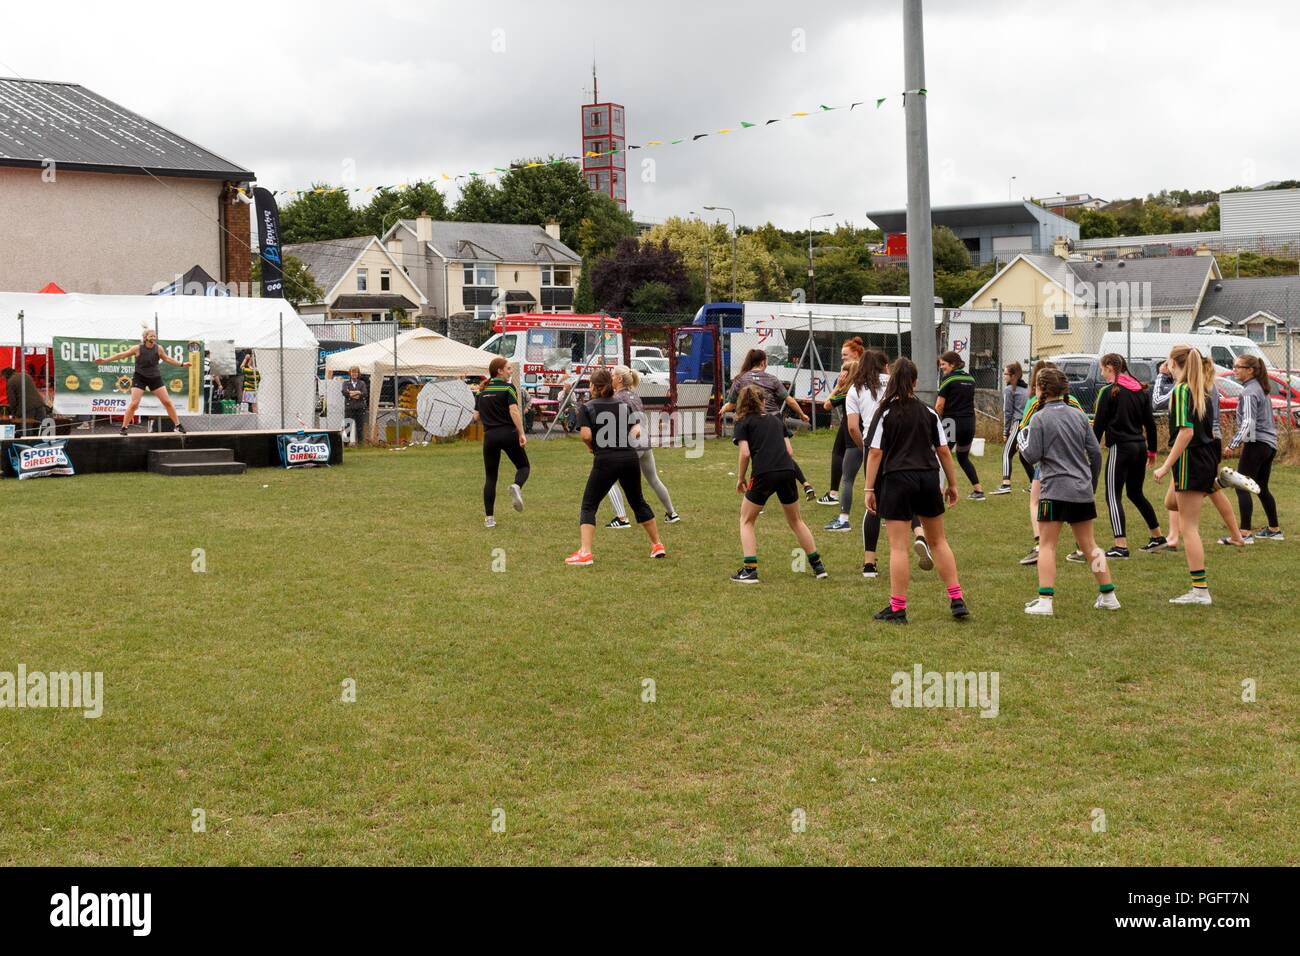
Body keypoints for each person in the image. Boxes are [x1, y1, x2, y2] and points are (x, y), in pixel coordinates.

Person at [863, 357, 969, 624]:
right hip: (928, 478)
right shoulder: (929, 412)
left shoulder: (885, 412)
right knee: (939, 541)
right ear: (915, 382)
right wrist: (953, 484)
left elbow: (875, 452)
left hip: (897, 479)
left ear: (891, 379)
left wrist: (868, 488)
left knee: (899, 547)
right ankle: (957, 599)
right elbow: (943, 450)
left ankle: (898, 609)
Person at [1018, 368, 1119, 616]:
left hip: (1054, 489)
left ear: (1040, 390)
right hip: (1081, 489)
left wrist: (1022, 441)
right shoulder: (1079, 416)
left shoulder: (1039, 418)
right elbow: (1095, 453)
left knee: (1047, 545)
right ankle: (1108, 595)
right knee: (1090, 545)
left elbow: (1032, 455)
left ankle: (1045, 601)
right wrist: (1091, 480)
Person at [1152, 357, 1254, 550]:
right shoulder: (1210, 384)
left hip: (1194, 444)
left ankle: (1174, 538)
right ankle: (1236, 535)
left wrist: (1161, 375)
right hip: (1212, 440)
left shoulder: (1187, 387)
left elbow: (1157, 402)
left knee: (1181, 494)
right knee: (1201, 491)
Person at [567, 368, 665, 566]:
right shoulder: (622, 404)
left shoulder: (587, 407)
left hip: (606, 459)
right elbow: (636, 428)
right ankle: (657, 545)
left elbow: (585, 435)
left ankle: (585, 552)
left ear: (593, 386)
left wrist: (591, 447)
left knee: (589, 505)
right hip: (629, 457)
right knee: (638, 502)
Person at [731, 385, 827, 583]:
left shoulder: (742, 422)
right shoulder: (776, 420)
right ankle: (818, 566)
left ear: (742, 403)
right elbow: (789, 452)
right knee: (796, 521)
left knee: (746, 520)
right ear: (763, 402)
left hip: (763, 473)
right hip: (787, 471)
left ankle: (750, 570)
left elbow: (745, 453)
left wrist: (741, 478)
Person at [1153, 345, 1221, 605]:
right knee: (1171, 503)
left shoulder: (1182, 390)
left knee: (1188, 528)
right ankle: (1216, 482)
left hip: (1190, 459)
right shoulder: (1199, 388)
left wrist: (1166, 465)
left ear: (1172, 364)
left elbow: (1186, 432)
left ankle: (1200, 591)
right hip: (1202, 459)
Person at [1091, 354, 1165, 557]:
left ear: (1109, 368)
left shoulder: (1109, 392)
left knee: (1112, 495)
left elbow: (1098, 426)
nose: (1101, 373)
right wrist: (1152, 451)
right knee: (1135, 493)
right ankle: (1157, 536)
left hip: (1120, 449)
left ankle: (1120, 545)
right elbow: (1150, 424)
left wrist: (1090, 452)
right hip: (1139, 448)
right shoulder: (1139, 389)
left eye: (1102, 369)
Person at [1016, 361, 1087, 566]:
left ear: (1041, 386)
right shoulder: (1073, 402)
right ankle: (1086, 552)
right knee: (1078, 510)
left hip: (1050, 465)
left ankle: (1040, 546)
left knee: (1036, 501)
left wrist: (1021, 442)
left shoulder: (1036, 405)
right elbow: (1087, 427)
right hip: (1076, 464)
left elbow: (1024, 430)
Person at [720, 349, 815, 500]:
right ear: (763, 362)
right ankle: (804, 483)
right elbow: (788, 399)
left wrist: (723, 409)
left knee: (755, 456)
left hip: (753, 423)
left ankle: (754, 495)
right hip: (774, 421)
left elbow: (731, 404)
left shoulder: (741, 379)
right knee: (784, 454)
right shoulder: (772, 379)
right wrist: (801, 414)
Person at [604, 365, 680, 524]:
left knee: (608, 479)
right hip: (645, 443)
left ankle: (622, 518)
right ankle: (672, 514)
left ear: (619, 379)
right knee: (654, 480)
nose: (610, 378)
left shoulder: (617, 398)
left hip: (632, 443)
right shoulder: (634, 395)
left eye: (612, 375)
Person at [1227, 354, 1282, 541]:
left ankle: (1244, 533)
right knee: (1261, 488)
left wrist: (1233, 444)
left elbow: (1249, 422)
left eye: (1238, 366)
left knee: (1241, 486)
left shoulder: (1249, 391)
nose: (1234, 369)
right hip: (1269, 444)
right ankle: (1274, 530)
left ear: (1250, 370)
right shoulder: (1260, 388)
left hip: (1257, 444)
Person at [471, 357, 529, 529]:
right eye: (509, 369)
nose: (511, 372)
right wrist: (521, 432)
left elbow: (476, 417)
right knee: (524, 467)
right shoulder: (508, 388)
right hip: (508, 434)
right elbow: (514, 411)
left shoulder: (482, 391)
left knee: (490, 478)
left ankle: (489, 519)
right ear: (499, 371)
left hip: (490, 438)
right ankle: (517, 485)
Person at [96, 330, 190, 435]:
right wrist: (105, 360)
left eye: (155, 336)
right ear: (145, 338)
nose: (154, 338)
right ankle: (124, 428)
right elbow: (122, 355)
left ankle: (177, 425)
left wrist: (182, 364)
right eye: (151, 336)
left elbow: (167, 359)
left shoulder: (158, 349)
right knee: (134, 404)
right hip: (139, 377)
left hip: (155, 378)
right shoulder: (137, 348)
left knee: (167, 402)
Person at [818, 338, 866, 506]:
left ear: (856, 354)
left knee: (848, 468)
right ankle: (833, 492)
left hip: (853, 424)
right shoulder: (864, 375)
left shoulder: (853, 384)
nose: (842, 358)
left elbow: (827, 404)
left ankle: (838, 501)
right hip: (856, 421)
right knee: (839, 451)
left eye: (845, 355)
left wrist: (839, 386)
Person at [935, 351, 985, 500]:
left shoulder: (948, 379)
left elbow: (939, 405)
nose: (942, 367)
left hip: (951, 423)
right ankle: (978, 491)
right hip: (969, 423)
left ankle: (938, 492)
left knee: (942, 455)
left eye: (943, 364)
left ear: (952, 364)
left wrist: (934, 421)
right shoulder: (970, 378)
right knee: (963, 458)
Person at [991, 363, 1030, 495]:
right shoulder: (1027, 389)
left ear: (1013, 376)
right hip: (1030, 424)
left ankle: (1006, 484)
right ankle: (1036, 483)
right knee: (1024, 456)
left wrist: (1005, 431)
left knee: (1006, 453)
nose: (1004, 376)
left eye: (1006, 373)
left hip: (1018, 424)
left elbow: (1008, 412)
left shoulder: (1009, 390)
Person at [341, 366, 369, 445]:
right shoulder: (346, 383)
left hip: (360, 408)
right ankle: (345, 445)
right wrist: (358, 392)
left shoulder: (362, 383)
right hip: (349, 408)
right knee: (347, 426)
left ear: (358, 374)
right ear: (350, 373)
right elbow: (344, 392)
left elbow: (365, 393)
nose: (354, 374)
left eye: (356, 372)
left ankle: (360, 444)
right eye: (352, 372)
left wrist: (352, 393)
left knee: (360, 427)